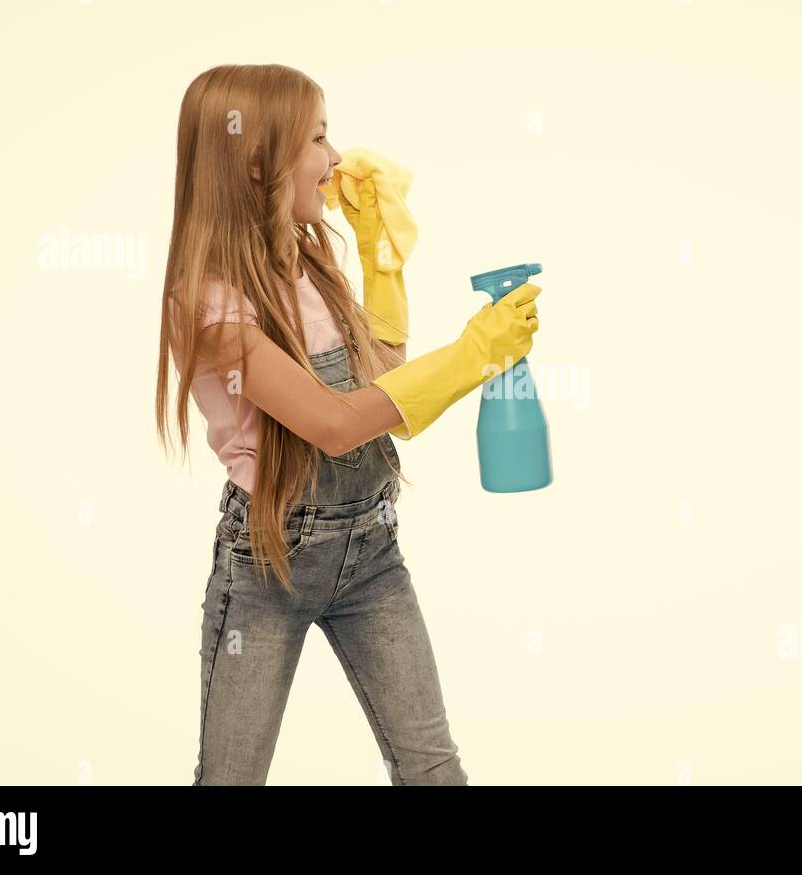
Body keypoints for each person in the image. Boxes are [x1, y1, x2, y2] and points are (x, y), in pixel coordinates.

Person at [154, 64, 541, 785]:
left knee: (432, 768)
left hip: (371, 553)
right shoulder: (207, 300)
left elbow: (380, 373)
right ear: (256, 160)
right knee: (231, 776)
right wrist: (472, 353)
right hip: (269, 560)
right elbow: (333, 425)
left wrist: (381, 258)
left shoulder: (309, 260)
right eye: (319, 138)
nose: (335, 160)